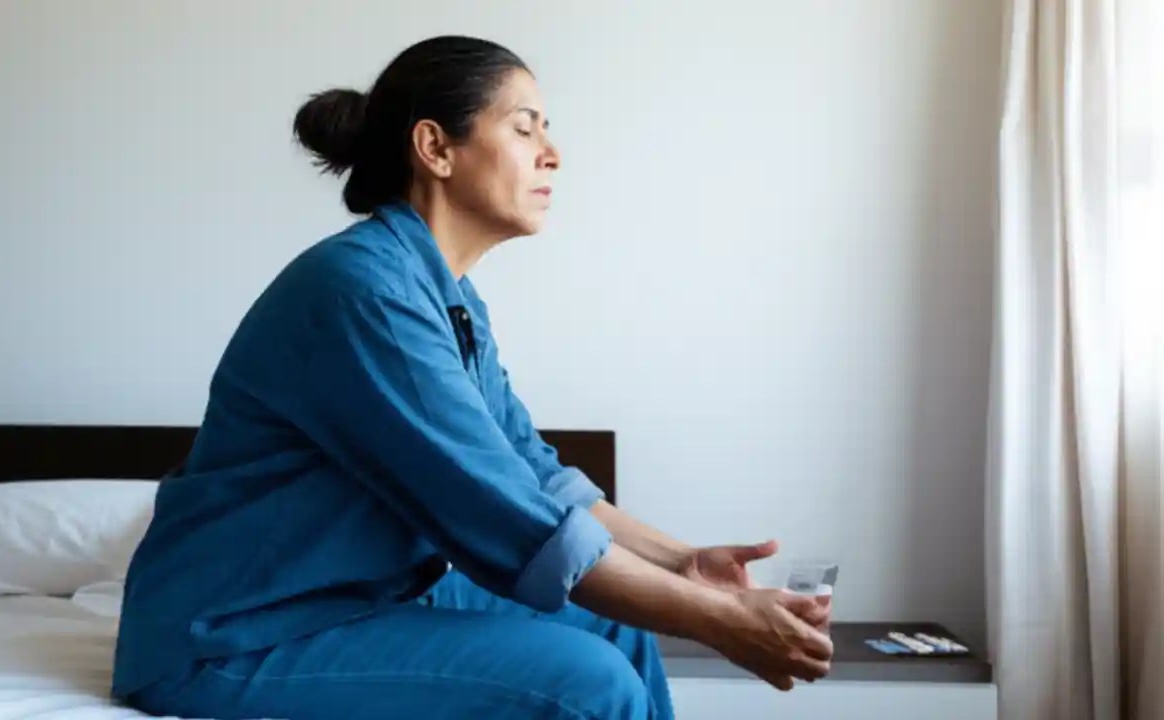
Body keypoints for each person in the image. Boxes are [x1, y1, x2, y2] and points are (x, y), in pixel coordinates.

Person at [112, 35, 833, 720]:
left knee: (617, 632)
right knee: (590, 682)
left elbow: (536, 476)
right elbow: (507, 519)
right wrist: (722, 622)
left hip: (354, 597)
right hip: (233, 633)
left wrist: (683, 563)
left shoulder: (444, 298)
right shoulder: (363, 294)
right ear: (435, 148)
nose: (553, 154)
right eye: (525, 129)